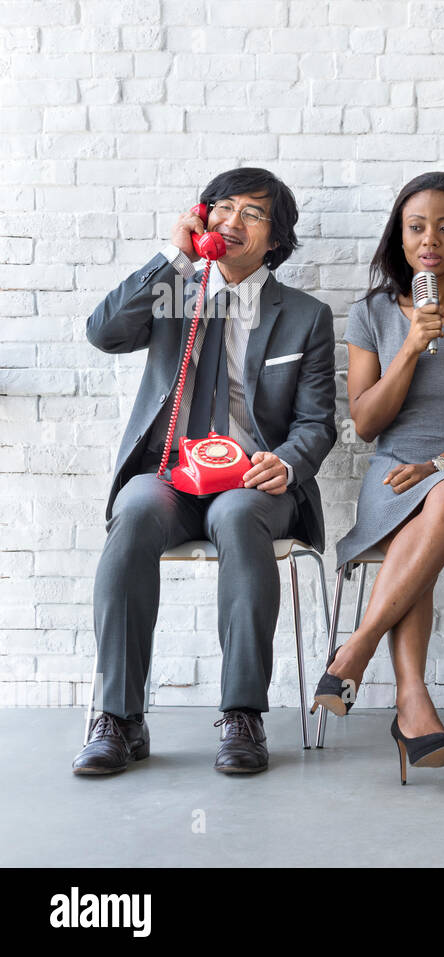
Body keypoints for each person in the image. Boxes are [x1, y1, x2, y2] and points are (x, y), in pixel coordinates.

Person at [78, 167, 337, 775]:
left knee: (241, 514)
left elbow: (317, 423)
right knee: (136, 509)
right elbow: (102, 332)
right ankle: (118, 717)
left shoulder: (305, 315)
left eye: (252, 213)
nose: (231, 222)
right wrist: (174, 253)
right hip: (171, 476)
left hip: (252, 479)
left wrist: (289, 462)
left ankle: (242, 713)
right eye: (221, 208)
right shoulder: (175, 290)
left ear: (276, 239)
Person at [310, 172, 444, 783]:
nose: (429, 239)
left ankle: (354, 650)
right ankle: (413, 706)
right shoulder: (372, 314)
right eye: (416, 227)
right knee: (417, 544)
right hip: (392, 481)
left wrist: (439, 465)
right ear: (400, 239)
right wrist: (409, 346)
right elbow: (366, 422)